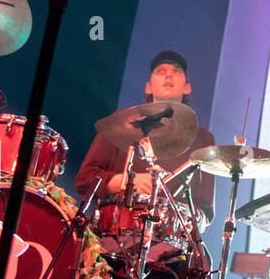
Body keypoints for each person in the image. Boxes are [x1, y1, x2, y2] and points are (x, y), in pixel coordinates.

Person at [76, 50, 216, 231]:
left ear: (187, 88)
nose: (168, 74)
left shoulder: (203, 139)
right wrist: (123, 181)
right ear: (148, 87)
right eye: (160, 71)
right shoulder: (119, 124)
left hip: (171, 245)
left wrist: (182, 219)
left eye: (177, 71)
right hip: (113, 234)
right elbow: (84, 180)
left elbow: (204, 212)